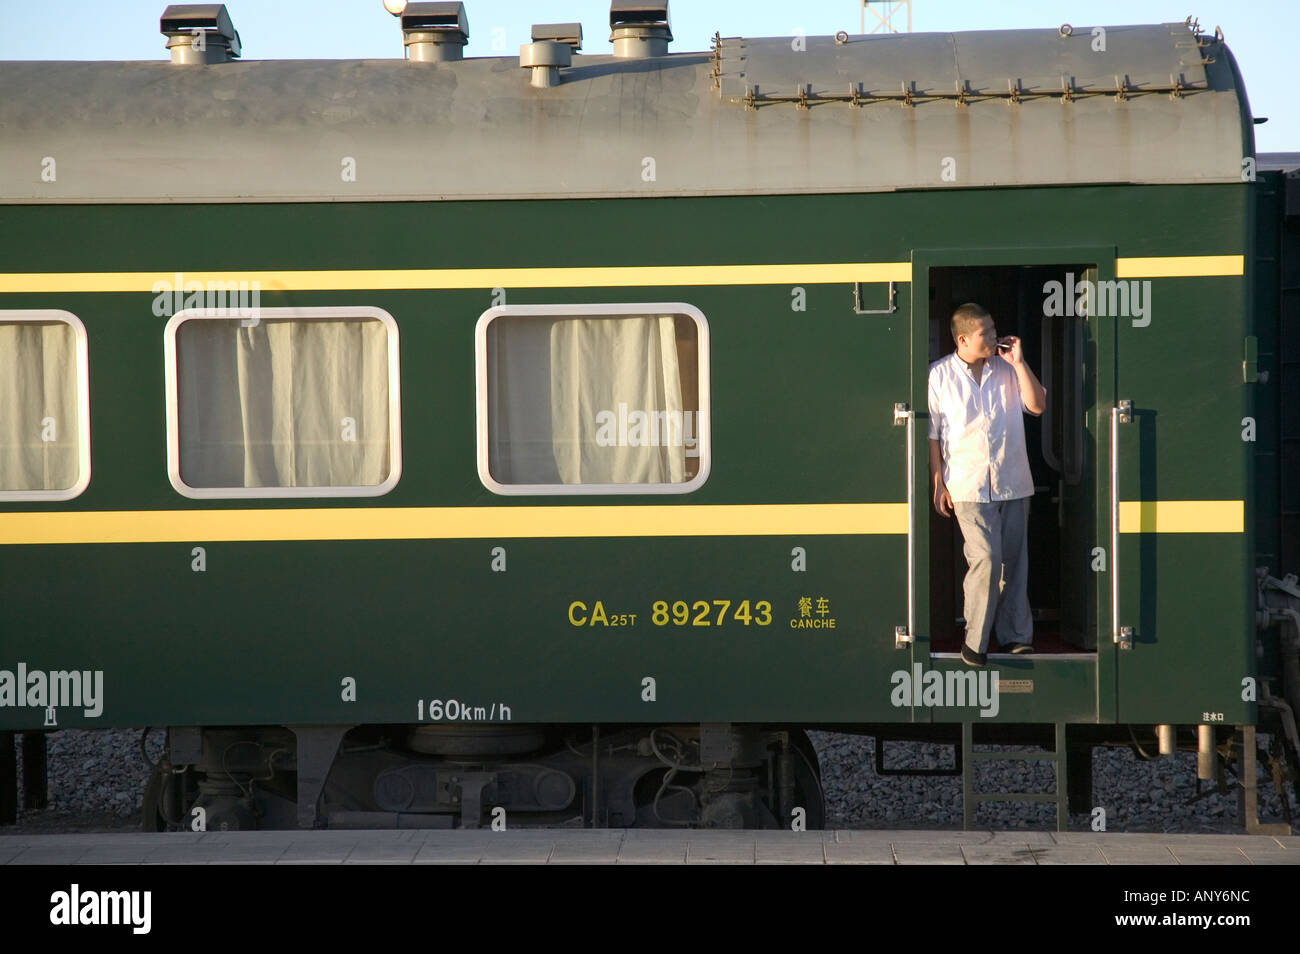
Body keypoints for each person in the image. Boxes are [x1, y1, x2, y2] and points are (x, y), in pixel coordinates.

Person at [928, 302, 1047, 667]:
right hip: (966, 484)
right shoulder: (938, 375)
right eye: (987, 333)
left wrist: (1019, 363)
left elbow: (1038, 406)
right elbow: (932, 435)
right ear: (964, 339)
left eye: (994, 329)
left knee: (1013, 564)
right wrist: (937, 480)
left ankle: (1014, 636)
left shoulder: (1006, 369)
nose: (995, 336)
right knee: (986, 558)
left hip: (1012, 480)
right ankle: (975, 641)